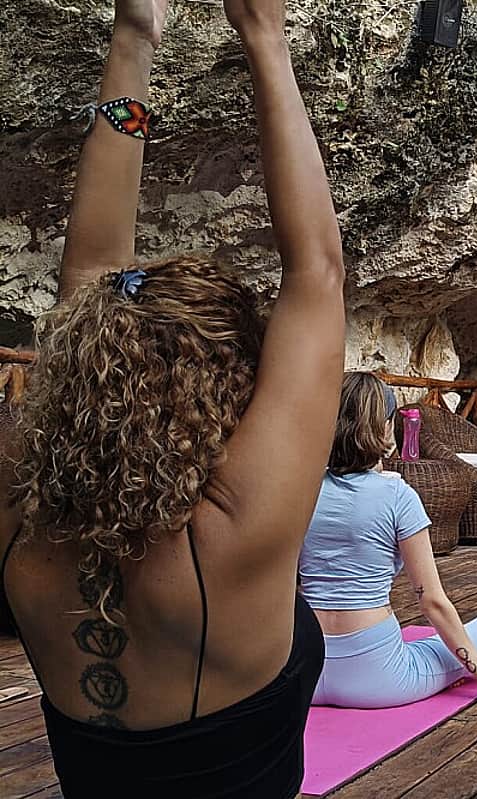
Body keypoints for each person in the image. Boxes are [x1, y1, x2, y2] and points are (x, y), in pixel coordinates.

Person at [0, 0, 346, 794]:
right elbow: (317, 272)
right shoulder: (238, 528)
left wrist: (135, 36)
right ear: (231, 379)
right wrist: (262, 31)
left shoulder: (24, 512)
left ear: (84, 359)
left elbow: (90, 278)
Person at [300, 373, 477, 708]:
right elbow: (431, 601)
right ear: (385, 427)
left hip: (302, 673)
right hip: (378, 680)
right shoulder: (398, 496)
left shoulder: (299, 493)